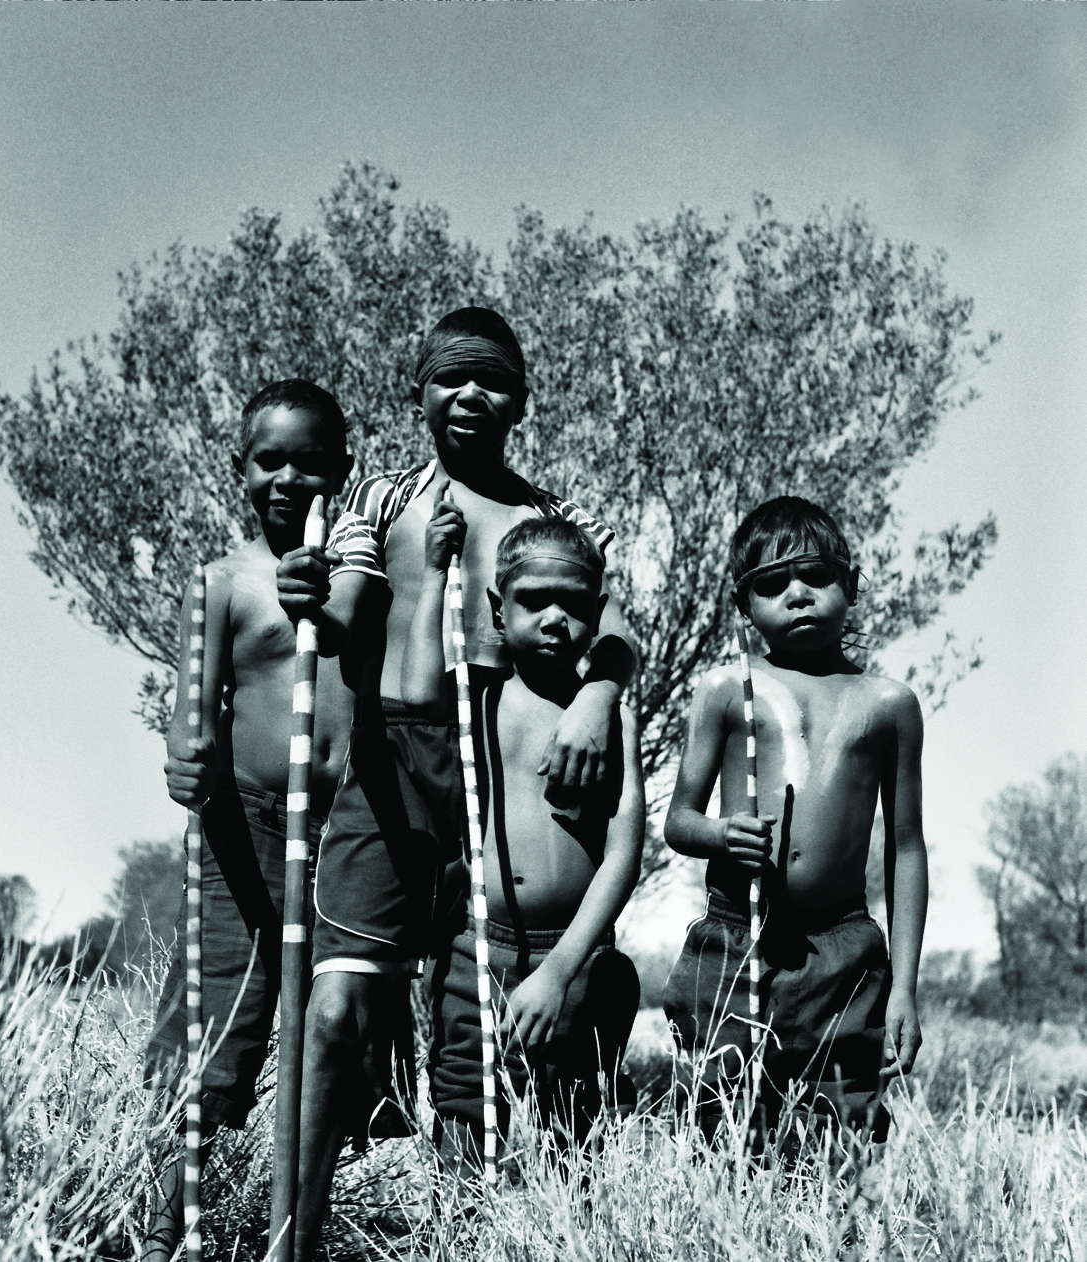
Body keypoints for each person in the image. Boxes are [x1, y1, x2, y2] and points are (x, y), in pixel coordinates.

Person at [277, 307, 637, 1258]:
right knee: (337, 1006)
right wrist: (314, 596)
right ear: (420, 390)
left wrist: (599, 694)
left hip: (507, 784)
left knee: (494, 1016)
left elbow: (616, 632)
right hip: (392, 768)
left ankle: (514, 1224)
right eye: (451, 377)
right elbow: (351, 609)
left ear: (522, 398)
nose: (470, 395)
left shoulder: (559, 523)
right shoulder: (378, 498)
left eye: (493, 380)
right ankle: (296, 1238)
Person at [142, 380, 355, 1262]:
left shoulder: (363, 579)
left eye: (310, 461)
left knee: (335, 1025)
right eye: (270, 460)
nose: (288, 478)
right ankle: (165, 1225)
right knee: (214, 1018)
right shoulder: (222, 582)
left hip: (343, 834)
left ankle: (297, 1231)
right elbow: (194, 700)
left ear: (342, 469)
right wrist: (183, 750)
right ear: (241, 471)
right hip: (244, 828)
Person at [661, 496, 927, 1145]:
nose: (798, 595)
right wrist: (722, 835)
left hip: (844, 949)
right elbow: (678, 821)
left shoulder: (888, 704)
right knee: (725, 1121)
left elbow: (906, 848)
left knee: (845, 1125)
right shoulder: (727, 687)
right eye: (773, 585)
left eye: (815, 577)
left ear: (852, 583)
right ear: (743, 604)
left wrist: (904, 987)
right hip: (739, 943)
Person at [401, 509, 643, 1172]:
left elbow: (624, 854)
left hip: (578, 958)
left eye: (573, 604)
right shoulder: (473, 701)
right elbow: (416, 695)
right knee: (465, 1112)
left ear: (597, 613)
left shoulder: (610, 718)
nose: (554, 618)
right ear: (498, 608)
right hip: (475, 948)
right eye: (534, 601)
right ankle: (460, 1236)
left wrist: (560, 972)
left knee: (575, 1128)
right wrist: (432, 574)